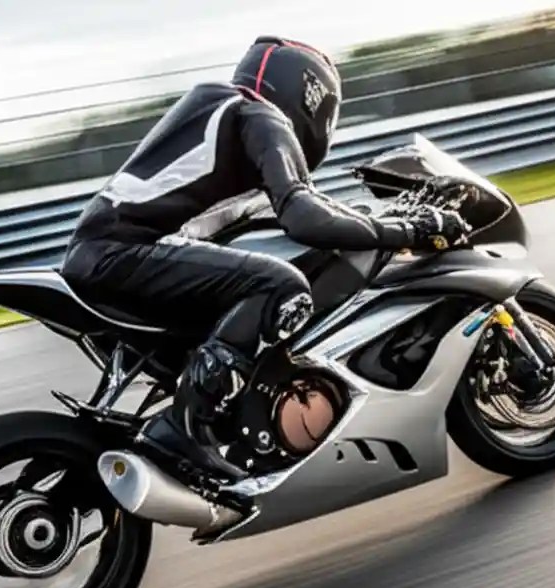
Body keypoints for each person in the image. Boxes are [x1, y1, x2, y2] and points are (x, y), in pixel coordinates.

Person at [61, 35, 468, 479]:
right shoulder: (261, 116)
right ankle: (183, 429)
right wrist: (408, 229)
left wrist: (368, 217)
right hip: (126, 252)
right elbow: (304, 216)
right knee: (282, 285)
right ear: (311, 96)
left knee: (251, 291)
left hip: (107, 253)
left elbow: (298, 210)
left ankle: (217, 425)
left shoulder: (224, 115)